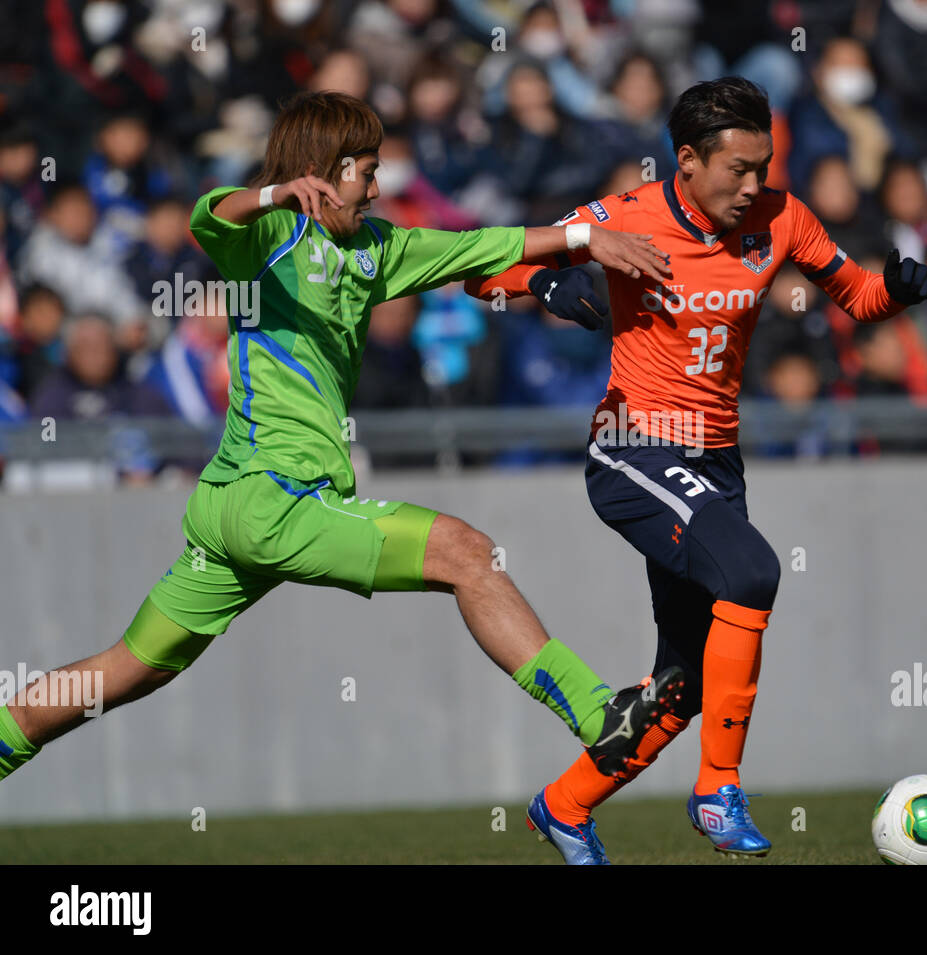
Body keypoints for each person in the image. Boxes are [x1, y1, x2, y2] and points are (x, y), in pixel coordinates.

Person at [0, 91, 687, 821]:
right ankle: (596, 715)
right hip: (279, 499)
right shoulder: (269, 238)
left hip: (231, 511)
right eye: (365, 168)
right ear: (321, 172)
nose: (375, 184)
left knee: (122, 669)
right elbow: (209, 214)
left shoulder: (377, 249)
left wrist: (582, 240)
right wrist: (274, 193)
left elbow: (486, 244)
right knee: (465, 551)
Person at [468, 77, 927, 863]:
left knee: (682, 682)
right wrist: (547, 279)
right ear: (686, 160)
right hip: (634, 446)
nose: (754, 185)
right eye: (739, 170)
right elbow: (492, 264)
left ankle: (564, 804)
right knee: (751, 570)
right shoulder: (623, 215)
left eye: (764, 165)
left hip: (717, 459)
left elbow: (854, 295)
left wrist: (896, 290)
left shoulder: (781, 216)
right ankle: (718, 790)